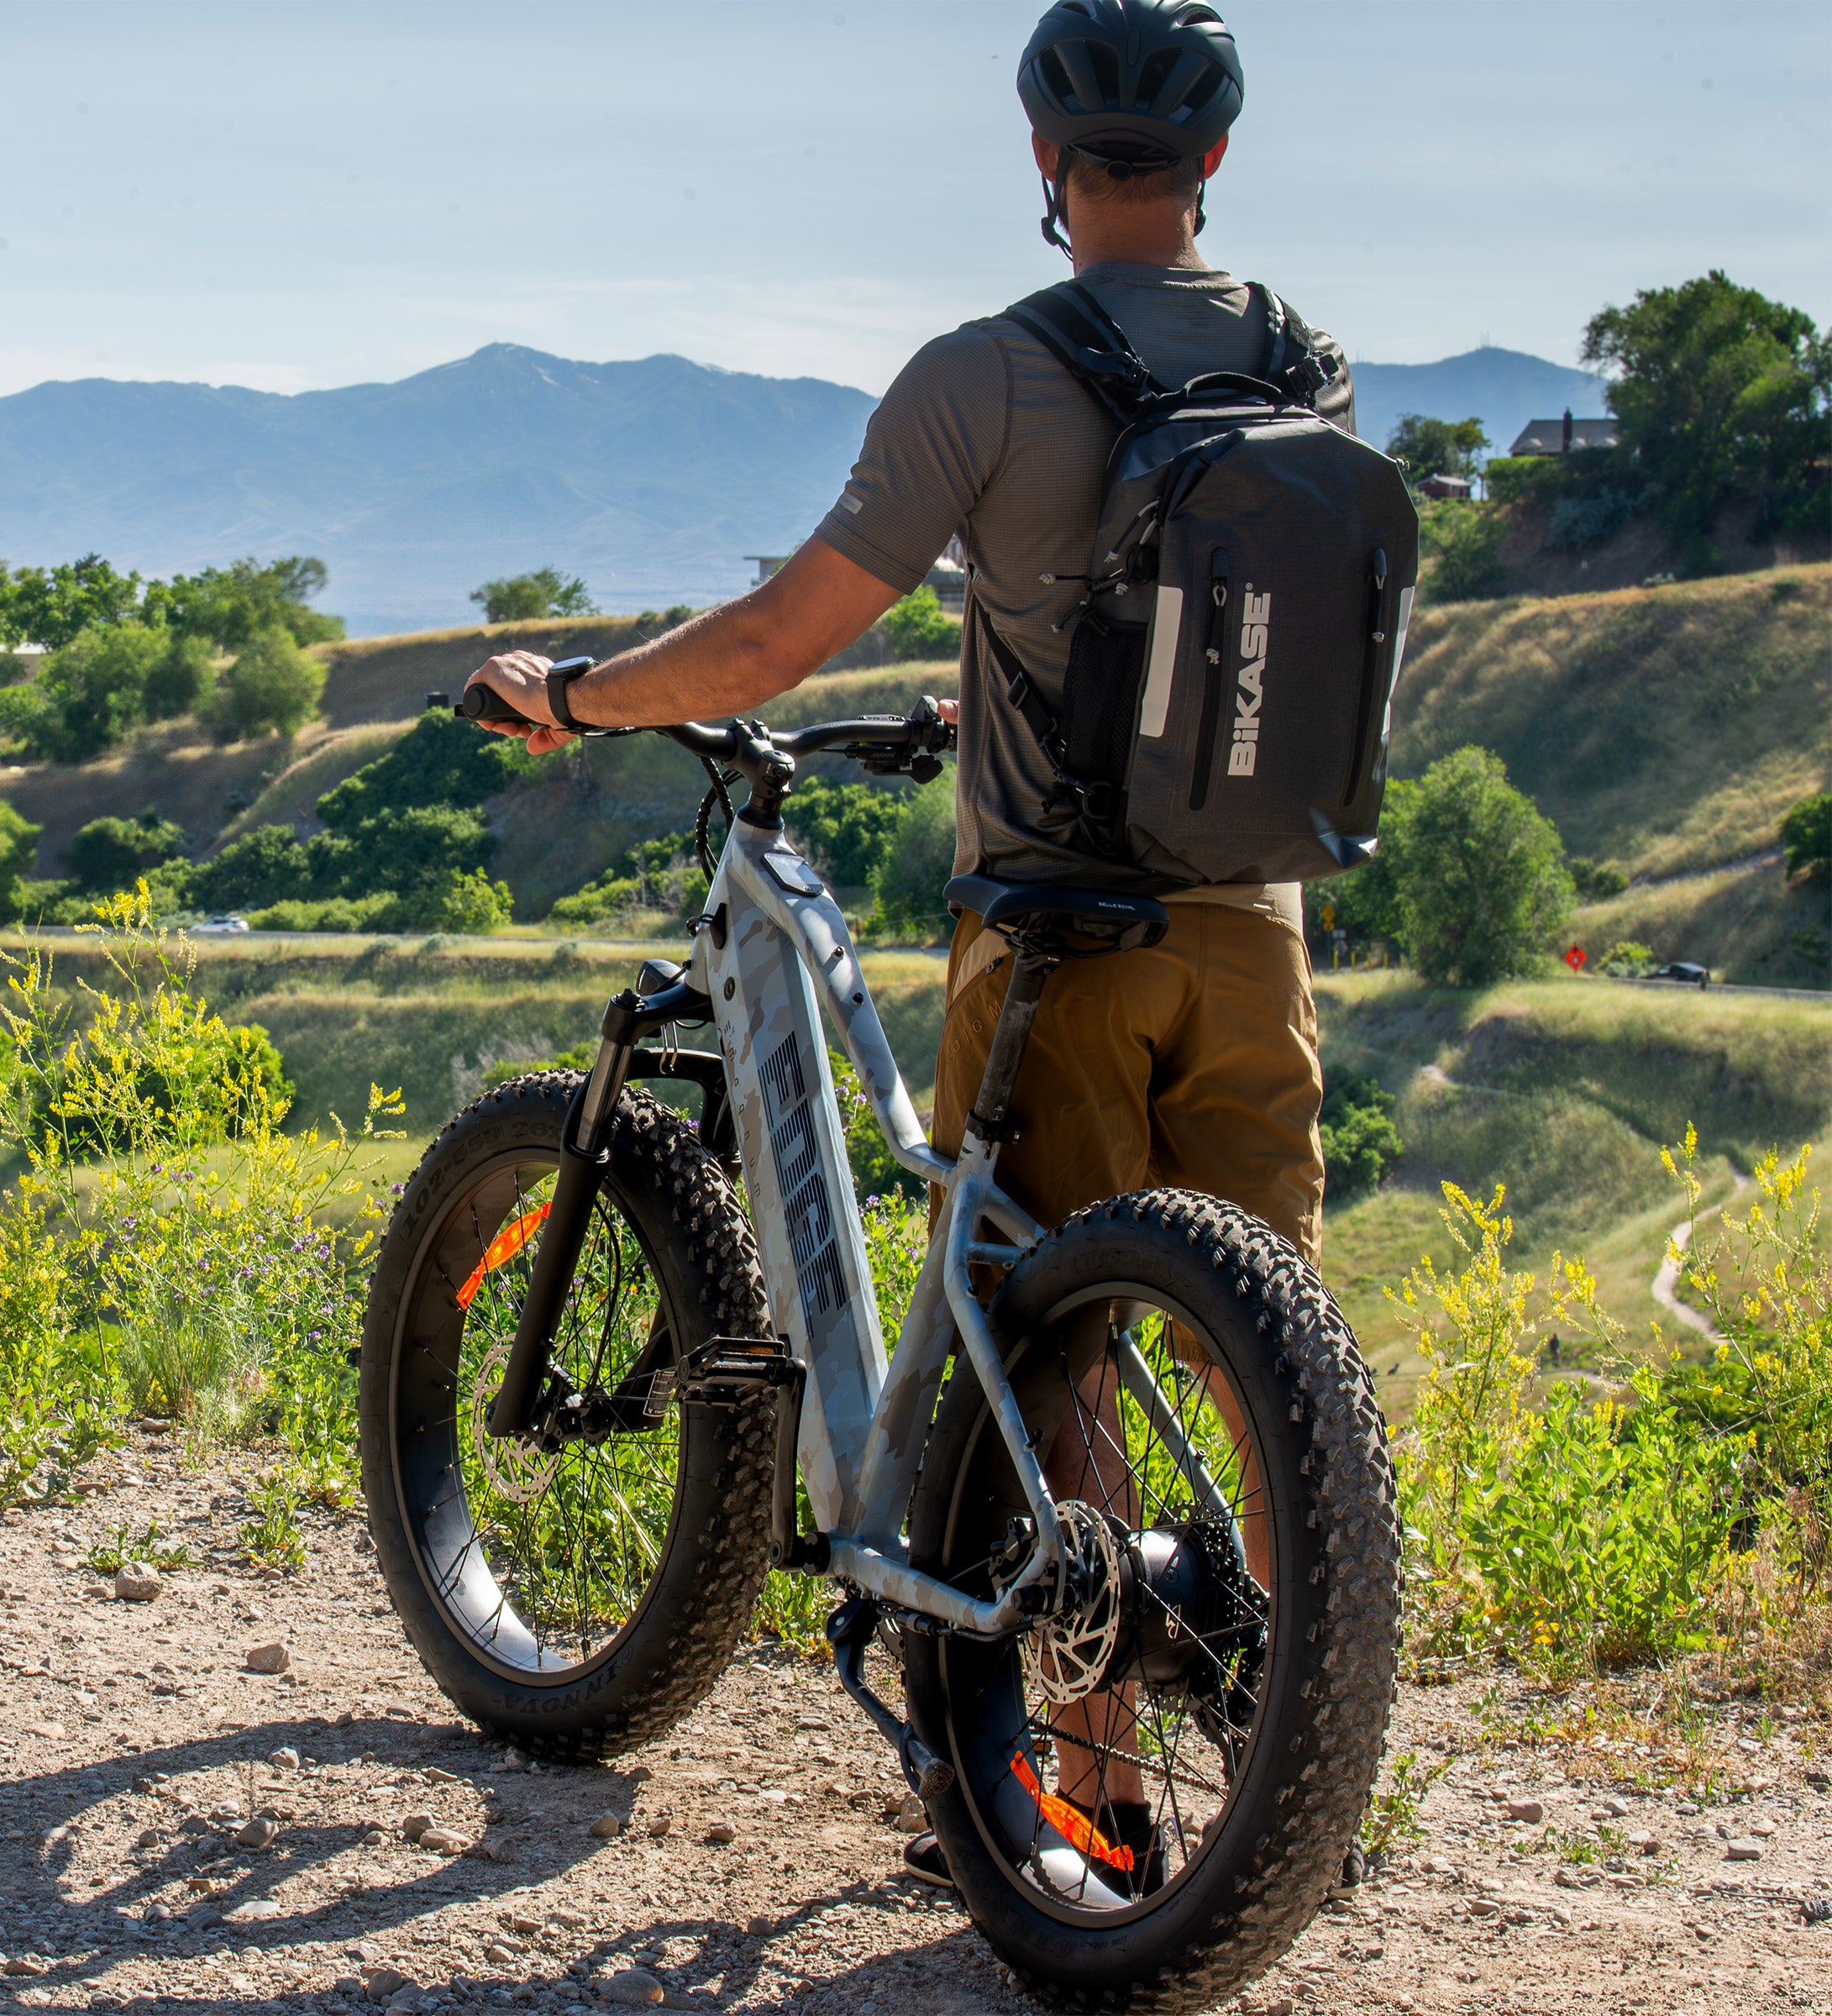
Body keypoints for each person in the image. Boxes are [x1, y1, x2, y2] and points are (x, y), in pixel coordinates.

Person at [465, 0, 1353, 1893]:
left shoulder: (987, 374)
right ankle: (1305, 1777)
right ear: (1216, 166)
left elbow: (782, 636)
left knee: (1058, 1362)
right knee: (1272, 1356)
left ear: (1044, 161)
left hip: (1059, 940)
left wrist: (590, 695)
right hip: (1254, 930)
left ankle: (1093, 1801)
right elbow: (1202, 637)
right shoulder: (1306, 362)